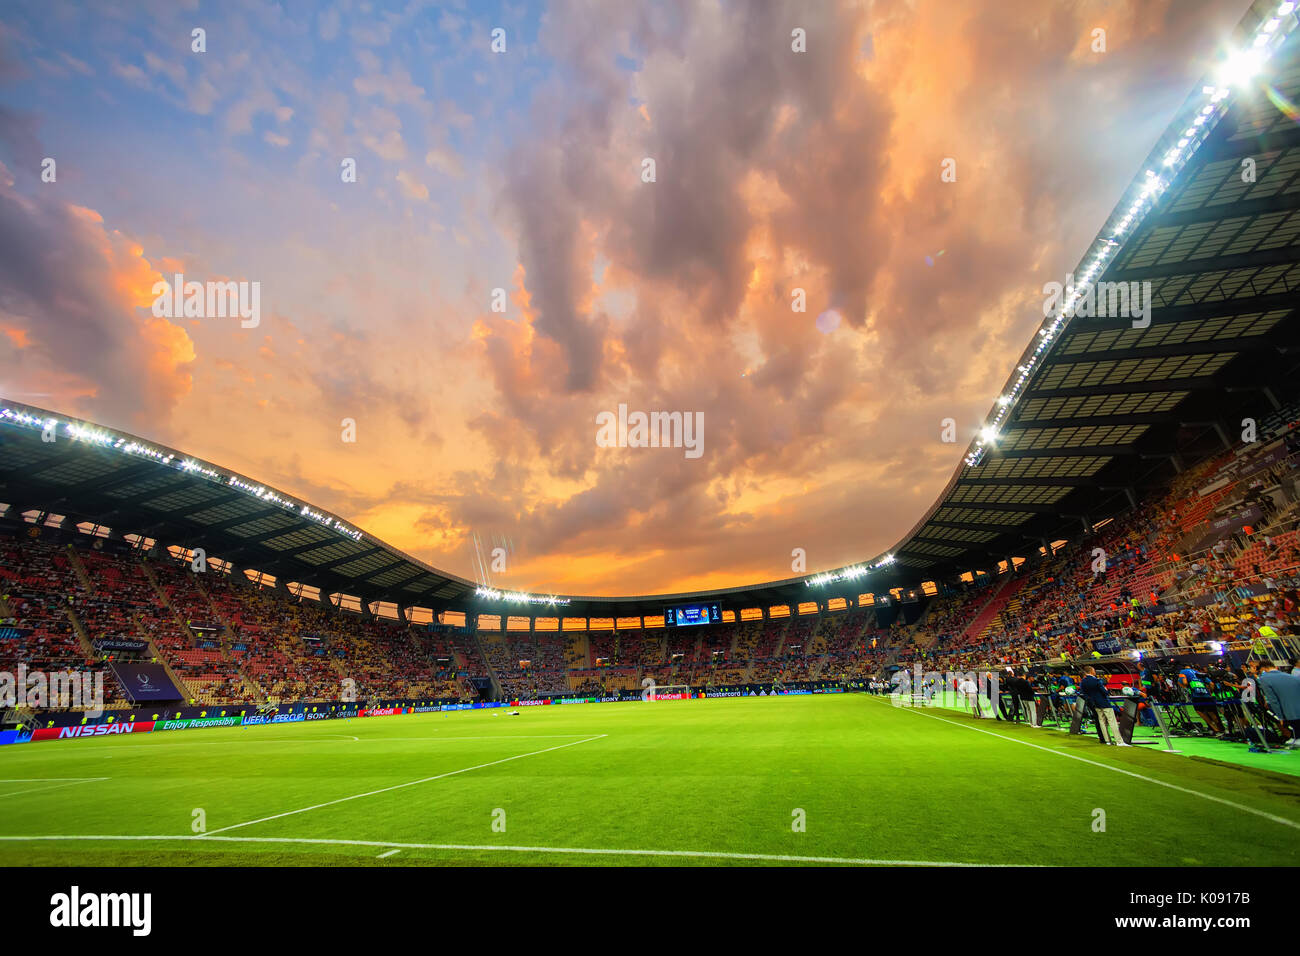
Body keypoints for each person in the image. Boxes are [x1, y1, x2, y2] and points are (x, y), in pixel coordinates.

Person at [1256, 662, 1300, 749]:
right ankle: (1295, 737)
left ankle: (1297, 738)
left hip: (1290, 711)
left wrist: (1280, 717)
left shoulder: (1264, 678)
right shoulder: (1291, 676)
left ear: (1264, 669)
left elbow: (1273, 700)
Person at [1080, 666, 1127, 746]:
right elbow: (1104, 692)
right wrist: (1107, 692)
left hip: (1095, 704)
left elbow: (1084, 693)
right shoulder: (1097, 680)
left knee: (1102, 722)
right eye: (1094, 670)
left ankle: (1107, 740)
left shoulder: (1083, 682)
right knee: (1112, 721)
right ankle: (1119, 741)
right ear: (1091, 671)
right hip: (1104, 703)